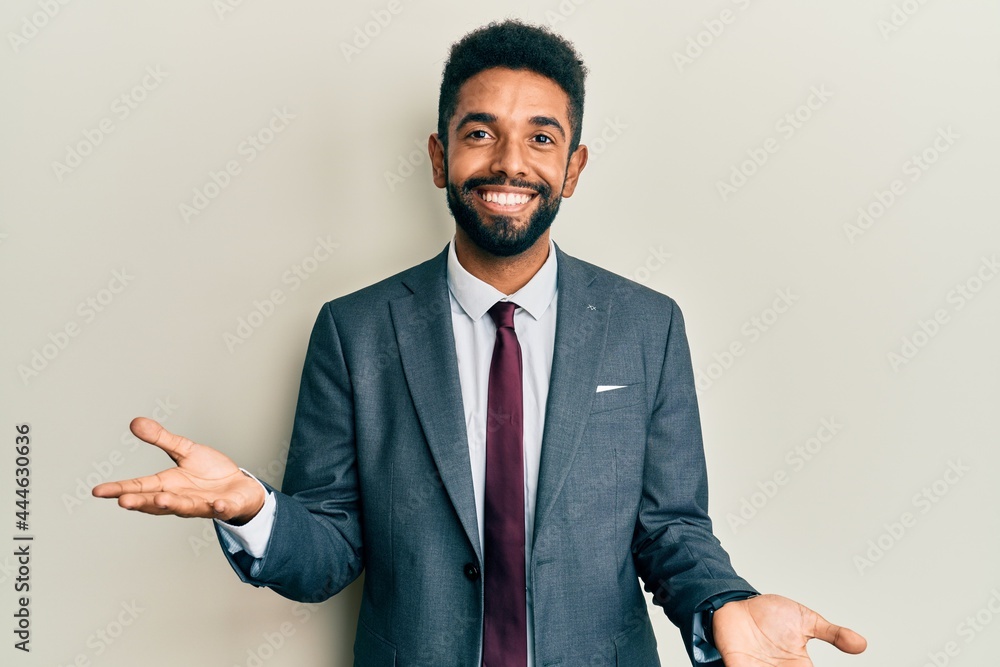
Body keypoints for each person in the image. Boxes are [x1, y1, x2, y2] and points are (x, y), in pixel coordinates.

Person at [94, 19, 867, 667]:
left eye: (541, 137)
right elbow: (326, 553)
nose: (508, 162)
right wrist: (255, 508)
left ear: (573, 169)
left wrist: (726, 604)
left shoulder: (646, 324)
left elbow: (671, 529)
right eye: (479, 133)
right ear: (439, 158)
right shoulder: (355, 330)